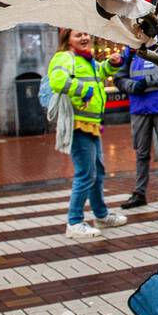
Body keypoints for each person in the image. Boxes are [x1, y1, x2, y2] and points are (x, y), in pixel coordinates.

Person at [48, 29, 128, 240]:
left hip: (92, 124)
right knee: (85, 174)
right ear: (68, 40)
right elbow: (56, 81)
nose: (84, 37)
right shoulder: (65, 57)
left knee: (97, 173)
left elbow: (100, 73)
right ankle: (74, 222)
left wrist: (112, 64)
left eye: (86, 34)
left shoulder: (87, 60)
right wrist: (83, 90)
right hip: (78, 124)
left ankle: (101, 215)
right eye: (78, 35)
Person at [114, 40, 158, 209]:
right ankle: (139, 193)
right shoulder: (129, 52)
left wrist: (150, 81)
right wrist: (134, 86)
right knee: (141, 153)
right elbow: (119, 79)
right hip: (139, 109)